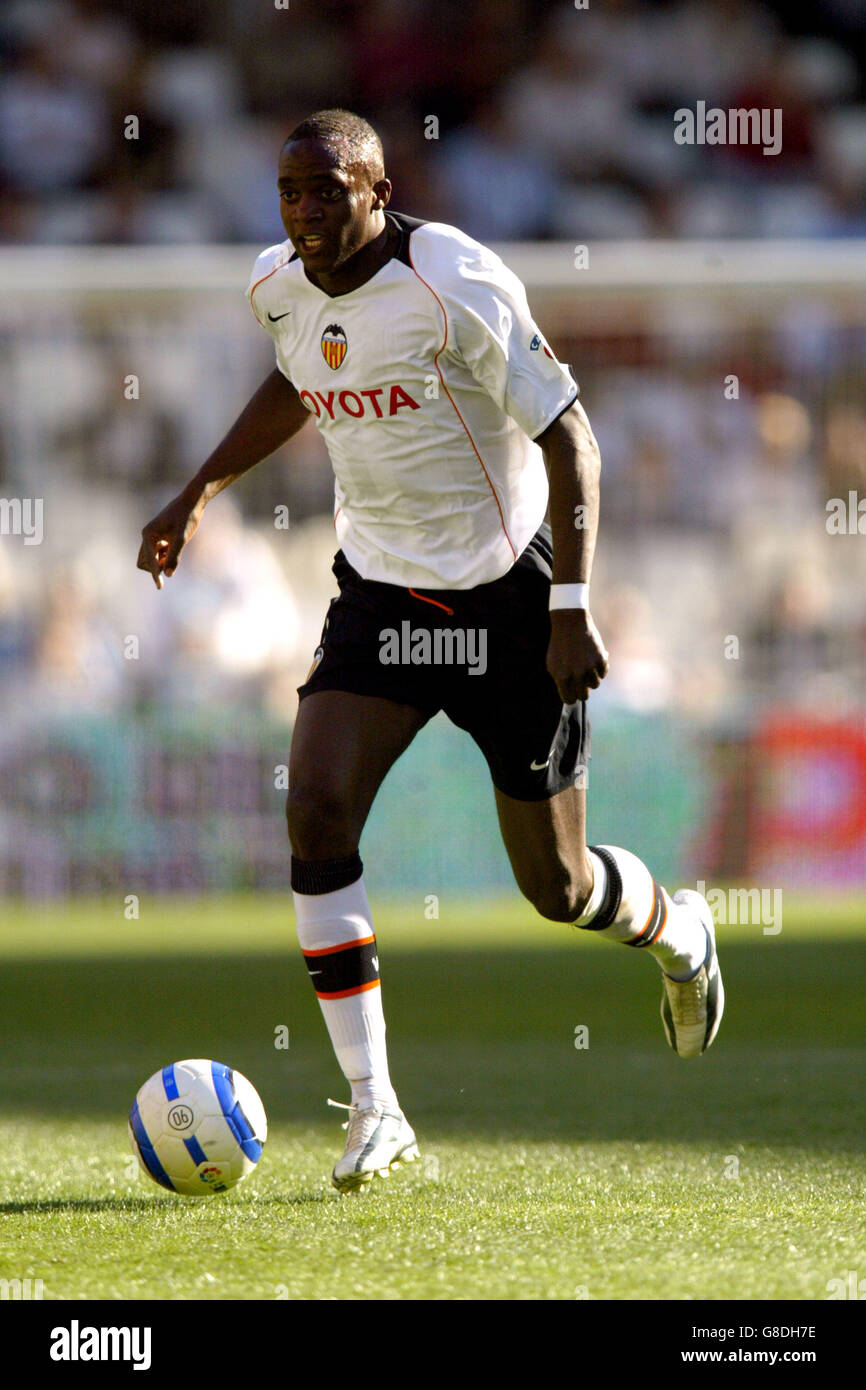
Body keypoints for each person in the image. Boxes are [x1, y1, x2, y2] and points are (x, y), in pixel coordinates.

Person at [138, 109, 724, 1194]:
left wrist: (569, 601)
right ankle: (376, 1108)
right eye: (289, 192)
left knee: (553, 885)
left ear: (376, 188)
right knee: (314, 809)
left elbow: (568, 433)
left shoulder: (453, 277)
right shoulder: (275, 281)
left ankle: (674, 930)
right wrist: (197, 491)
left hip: (508, 600)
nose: (304, 211)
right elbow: (297, 378)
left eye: (326, 191)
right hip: (381, 597)